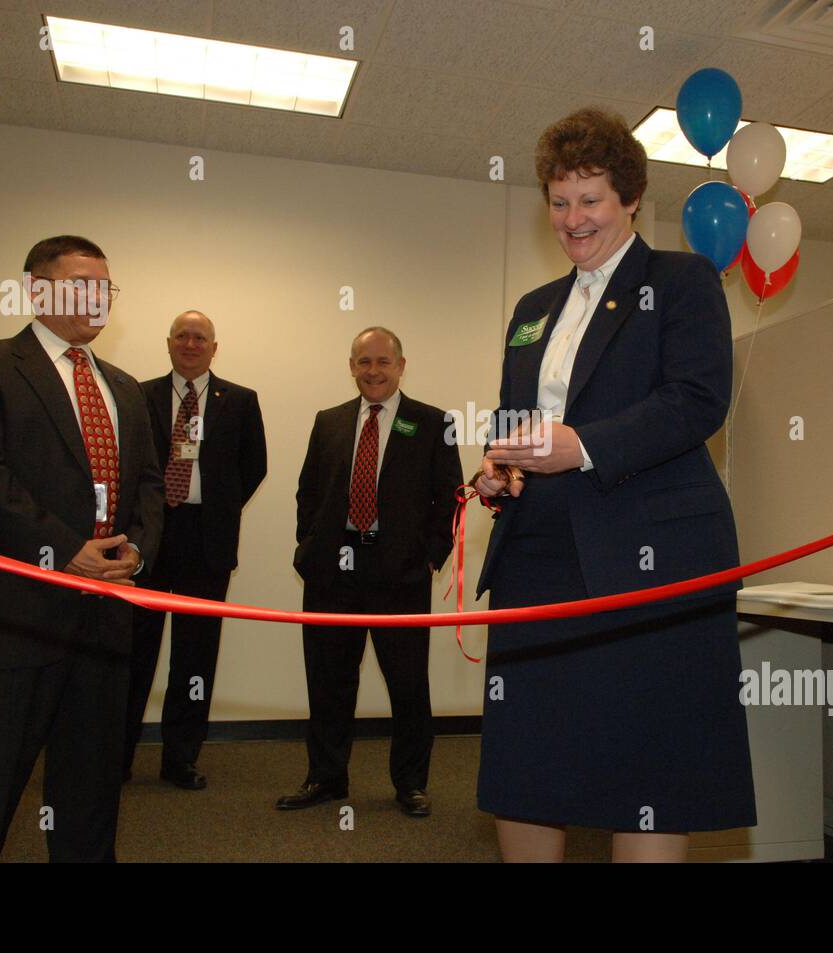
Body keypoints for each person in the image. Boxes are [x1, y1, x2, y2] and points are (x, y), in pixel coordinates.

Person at [473, 108, 756, 862]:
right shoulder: (532, 309)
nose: (573, 219)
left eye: (591, 199)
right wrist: (500, 467)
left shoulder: (683, 280)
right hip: (536, 558)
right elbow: (516, 415)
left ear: (630, 198)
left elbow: (697, 399)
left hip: (649, 558)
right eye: (559, 202)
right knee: (527, 760)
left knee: (648, 760)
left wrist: (583, 446)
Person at [0, 235, 164, 862]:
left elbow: (147, 484)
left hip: (104, 619)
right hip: (14, 617)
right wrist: (67, 550)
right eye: (81, 284)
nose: (97, 299)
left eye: (105, 288)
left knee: (90, 790)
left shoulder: (124, 387)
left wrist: (135, 554)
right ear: (36, 290)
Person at [279, 327, 461, 817]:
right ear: (351, 366)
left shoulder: (434, 422)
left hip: (400, 573)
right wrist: (310, 547)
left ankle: (410, 784)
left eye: (383, 361)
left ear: (402, 365)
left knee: (407, 683)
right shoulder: (329, 421)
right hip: (332, 573)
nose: (373, 371)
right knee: (329, 680)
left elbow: (451, 499)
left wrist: (430, 556)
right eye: (364, 362)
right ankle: (326, 778)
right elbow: (308, 492)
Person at [123, 310, 267, 789]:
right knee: (132, 651)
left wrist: (217, 509)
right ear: (168, 343)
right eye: (182, 336)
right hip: (148, 537)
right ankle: (115, 755)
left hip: (207, 543)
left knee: (194, 658)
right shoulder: (136, 395)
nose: (190, 344)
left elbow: (255, 466)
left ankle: (180, 758)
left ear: (214, 347)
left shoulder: (240, 401)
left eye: (199, 337)